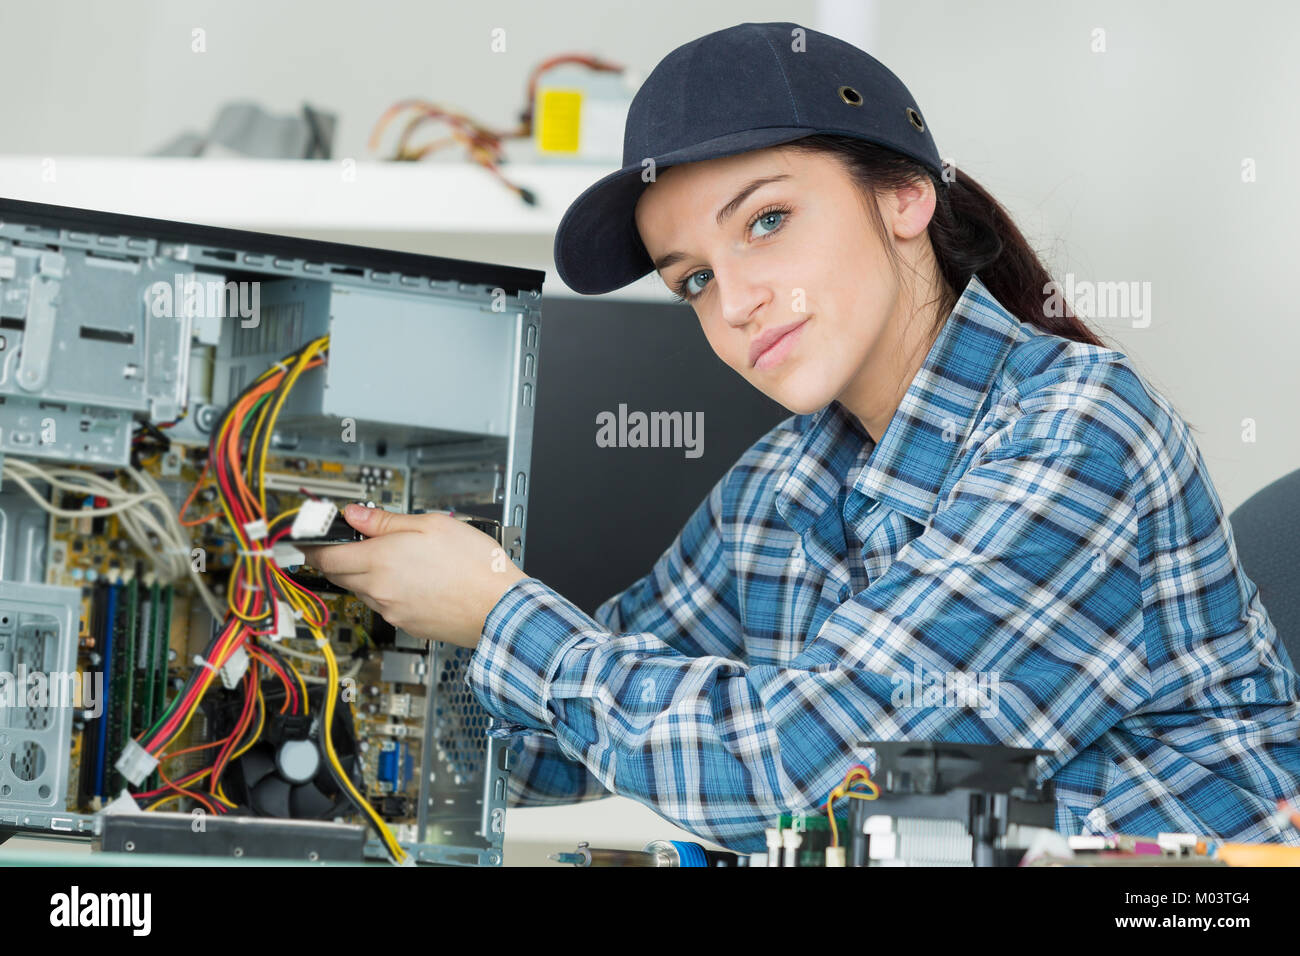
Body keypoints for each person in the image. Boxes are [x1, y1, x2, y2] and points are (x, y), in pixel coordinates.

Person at [301, 21, 1300, 853]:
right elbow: (578, 737)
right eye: (693, 278)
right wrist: (333, 662)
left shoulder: (1076, 433)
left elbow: (804, 771)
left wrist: (497, 611)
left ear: (906, 195)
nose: (734, 301)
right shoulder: (779, 489)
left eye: (768, 220)